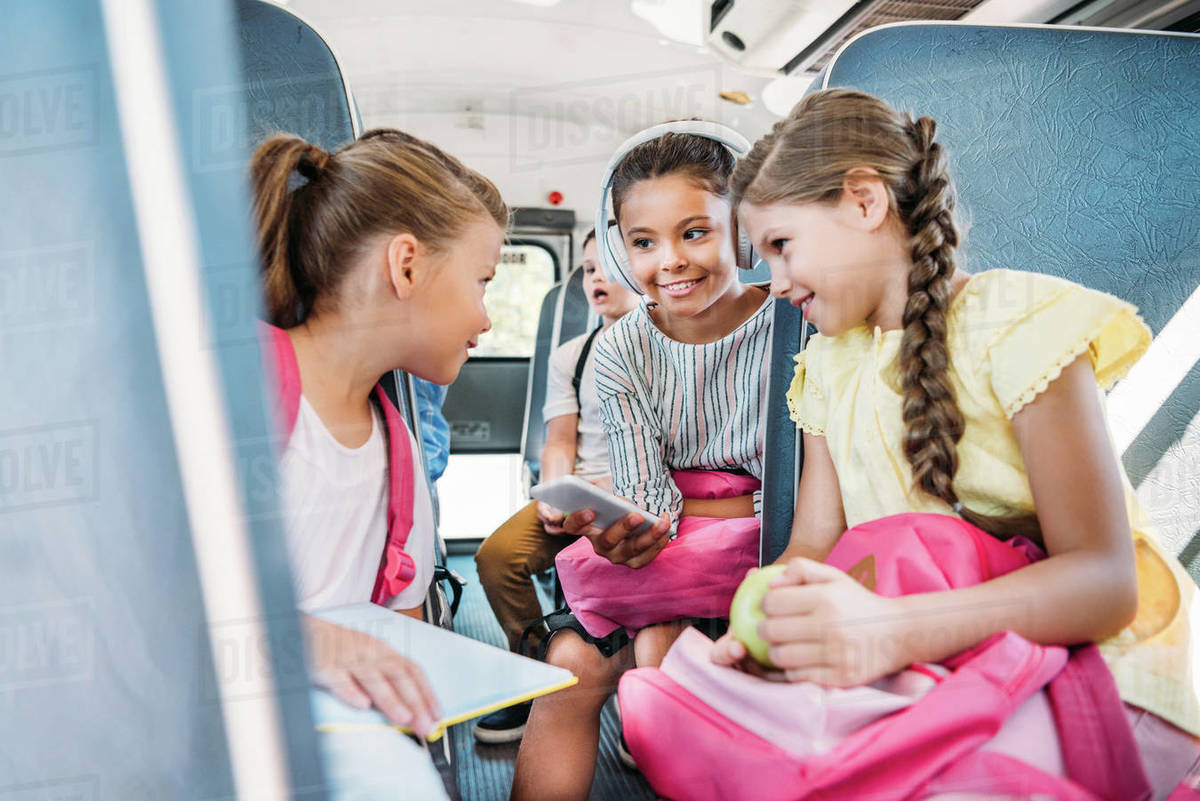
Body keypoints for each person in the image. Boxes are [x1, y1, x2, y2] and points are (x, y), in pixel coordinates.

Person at [713, 88, 1199, 798]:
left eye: (782, 247)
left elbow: (1104, 583)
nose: (778, 282)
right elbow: (813, 545)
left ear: (863, 202)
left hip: (1112, 669)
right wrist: (766, 629)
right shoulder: (827, 362)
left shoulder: (1018, 324)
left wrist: (892, 629)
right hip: (951, 654)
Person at [511, 124, 773, 801]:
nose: (670, 263)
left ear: (742, 229)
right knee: (567, 663)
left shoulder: (791, 324)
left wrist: (713, 509)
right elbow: (646, 494)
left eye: (695, 233)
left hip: (776, 549)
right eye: (644, 242)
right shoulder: (621, 349)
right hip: (674, 546)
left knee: (672, 653)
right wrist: (623, 529)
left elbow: (795, 498)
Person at [249, 128, 508, 797]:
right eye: (482, 281)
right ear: (407, 266)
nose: (486, 318)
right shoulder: (238, 386)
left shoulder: (400, 458)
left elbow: (406, 624)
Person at [473, 224, 638, 744]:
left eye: (608, 266)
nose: (597, 278)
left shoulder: (672, 349)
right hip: (584, 491)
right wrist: (555, 489)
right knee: (497, 558)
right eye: (588, 269)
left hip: (641, 492)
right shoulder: (572, 354)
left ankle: (642, 704)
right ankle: (538, 678)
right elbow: (559, 438)